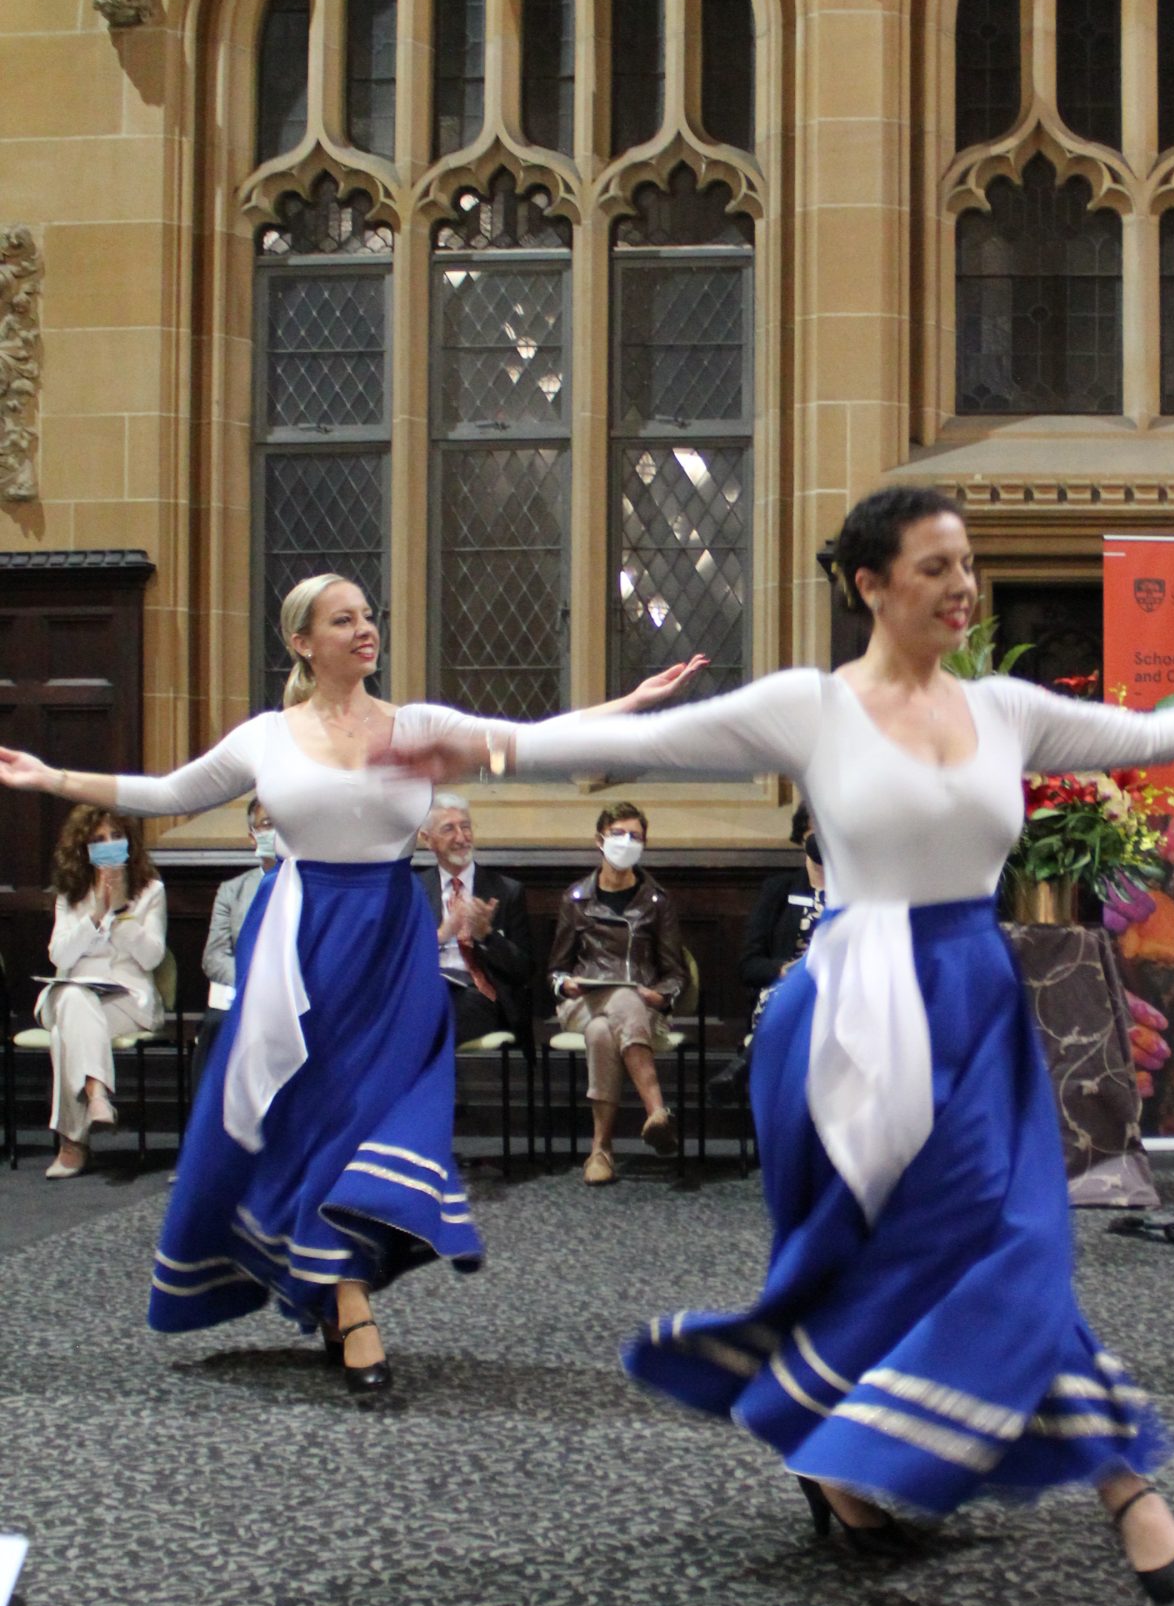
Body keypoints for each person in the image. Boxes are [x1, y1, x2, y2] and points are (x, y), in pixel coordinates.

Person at [388, 482, 1174, 1602]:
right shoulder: (812, 707)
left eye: (967, 566)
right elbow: (650, 744)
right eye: (934, 568)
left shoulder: (1004, 708)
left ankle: (885, 1453)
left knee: (1013, 1239)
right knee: (956, 1245)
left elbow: (1150, 734)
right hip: (859, 1015)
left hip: (975, 1004)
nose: (962, 587)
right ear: (869, 583)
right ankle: (1117, 1487)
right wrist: (481, 748)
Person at [0, 577, 697, 1396]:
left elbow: (532, 739)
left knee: (381, 1112)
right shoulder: (267, 735)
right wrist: (51, 779)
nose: (366, 630)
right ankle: (346, 1301)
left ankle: (342, 1289)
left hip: (389, 939)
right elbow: (166, 794)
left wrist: (633, 704)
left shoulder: (419, 725)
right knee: (309, 1120)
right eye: (345, 620)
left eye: (369, 617)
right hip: (300, 942)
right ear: (303, 641)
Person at [549, 801, 688, 1183]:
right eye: (618, 834)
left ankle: (600, 1151)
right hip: (582, 1002)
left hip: (642, 1010)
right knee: (617, 1000)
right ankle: (657, 1110)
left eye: (635, 836)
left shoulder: (657, 901)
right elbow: (556, 969)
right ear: (599, 840)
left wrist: (662, 995)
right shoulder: (575, 899)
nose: (626, 843)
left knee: (602, 1030)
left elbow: (676, 973)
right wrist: (566, 983)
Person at [35, 805, 167, 1180]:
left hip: (126, 998)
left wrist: (121, 912)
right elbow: (59, 954)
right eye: (98, 840)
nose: (109, 845)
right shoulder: (70, 893)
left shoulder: (151, 891)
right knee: (77, 999)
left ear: (129, 842)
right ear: (83, 848)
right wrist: (96, 913)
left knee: (67, 1034)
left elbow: (152, 956)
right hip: (71, 993)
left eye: (116, 837)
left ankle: (73, 1144)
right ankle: (97, 1095)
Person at [416, 794, 535, 1048]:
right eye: (449, 829)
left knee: (442, 1016)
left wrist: (487, 936)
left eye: (466, 826)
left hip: (478, 995)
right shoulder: (414, 891)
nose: (461, 837)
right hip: (425, 991)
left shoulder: (505, 891)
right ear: (428, 840)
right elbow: (397, 957)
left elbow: (524, 969)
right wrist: (441, 934)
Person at [192, 797, 279, 1092]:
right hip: (241, 990)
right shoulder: (233, 890)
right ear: (252, 836)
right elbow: (214, 956)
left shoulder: (312, 887)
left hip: (291, 993)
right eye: (267, 824)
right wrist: (251, 979)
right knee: (217, 1025)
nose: (275, 831)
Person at [739, 802, 826, 1047]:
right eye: (815, 831)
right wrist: (784, 969)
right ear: (802, 837)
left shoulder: (855, 893)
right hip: (787, 989)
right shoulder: (778, 890)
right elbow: (749, 965)